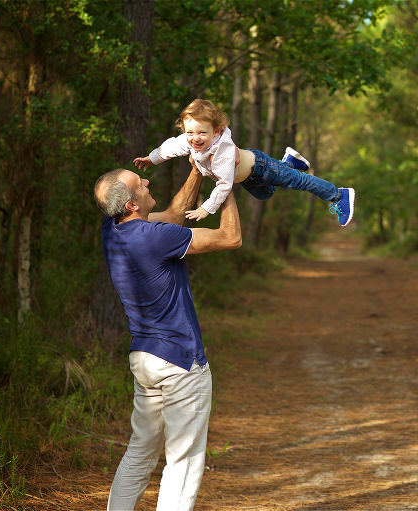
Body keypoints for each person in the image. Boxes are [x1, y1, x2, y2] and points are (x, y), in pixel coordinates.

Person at [93, 159, 241, 511]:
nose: (146, 181)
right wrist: (227, 185)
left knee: (141, 451)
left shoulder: (112, 228)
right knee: (183, 461)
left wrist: (198, 169)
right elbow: (230, 238)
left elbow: (175, 215)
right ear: (131, 204)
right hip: (179, 362)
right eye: (140, 185)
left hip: (145, 360)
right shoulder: (155, 238)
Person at [133, 98, 355, 226]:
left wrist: (206, 209)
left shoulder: (222, 152)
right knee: (265, 194)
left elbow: (223, 185)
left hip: (261, 167)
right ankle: (288, 162)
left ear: (216, 131)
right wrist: (152, 159)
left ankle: (338, 195)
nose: (195, 138)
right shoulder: (190, 141)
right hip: (249, 178)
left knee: (300, 182)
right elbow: (170, 147)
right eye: (190, 132)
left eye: (202, 133)